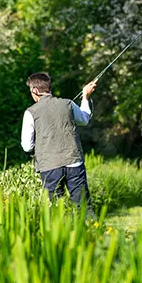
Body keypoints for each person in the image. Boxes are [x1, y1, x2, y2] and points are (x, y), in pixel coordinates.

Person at [21, 72, 97, 210]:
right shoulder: (68, 103)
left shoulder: (30, 112)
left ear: (35, 90)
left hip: (49, 167)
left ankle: (61, 231)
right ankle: (91, 229)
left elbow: (27, 146)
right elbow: (84, 119)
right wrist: (85, 96)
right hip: (74, 162)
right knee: (83, 207)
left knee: (54, 210)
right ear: (49, 88)